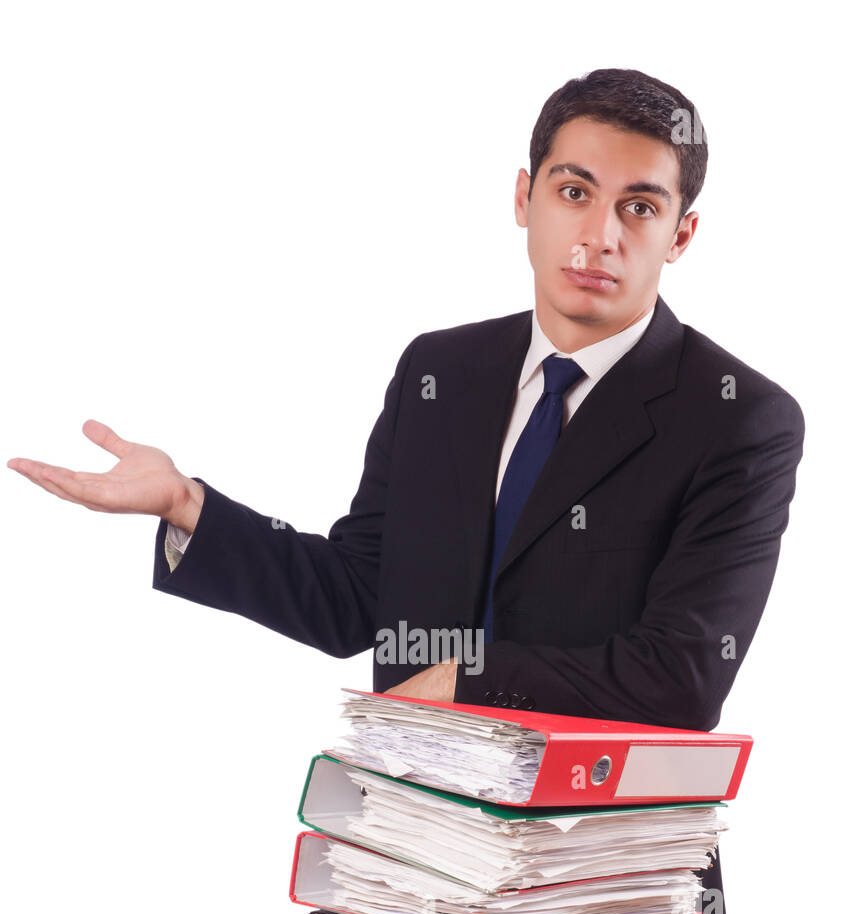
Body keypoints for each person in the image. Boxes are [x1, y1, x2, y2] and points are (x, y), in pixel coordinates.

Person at [7, 67, 804, 731]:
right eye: (573, 193)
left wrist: (465, 679)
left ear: (681, 235)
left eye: (639, 206)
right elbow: (360, 598)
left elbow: (683, 675)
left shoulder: (737, 420)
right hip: (413, 830)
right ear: (524, 199)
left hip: (598, 860)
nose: (600, 234)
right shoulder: (442, 372)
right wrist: (186, 505)